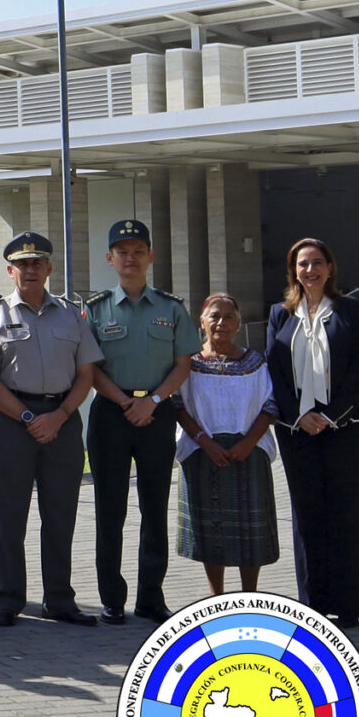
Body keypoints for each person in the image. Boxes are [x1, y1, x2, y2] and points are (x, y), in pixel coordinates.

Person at [0, 231, 103, 628]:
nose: (30, 270)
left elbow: (86, 373)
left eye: (37, 263)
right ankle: (7, 599)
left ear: (48, 269)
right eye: (22, 264)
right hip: (12, 421)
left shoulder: (71, 314)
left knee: (60, 513)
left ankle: (59, 599)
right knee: (10, 513)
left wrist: (60, 416)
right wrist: (29, 418)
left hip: (62, 419)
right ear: (10, 270)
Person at [83, 220, 200, 626]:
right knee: (109, 509)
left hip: (156, 414)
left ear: (151, 257)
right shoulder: (95, 309)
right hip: (110, 416)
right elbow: (89, 367)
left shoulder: (171, 308)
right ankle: (112, 599)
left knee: (155, 508)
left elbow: (184, 363)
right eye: (122, 251)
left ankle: (151, 598)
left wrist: (151, 401)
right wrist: (123, 401)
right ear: (110, 258)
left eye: (138, 251)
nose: (130, 258)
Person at [264, 237, 359, 629]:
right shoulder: (280, 314)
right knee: (306, 515)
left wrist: (329, 416)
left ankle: (347, 607)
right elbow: (274, 373)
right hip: (297, 430)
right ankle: (312, 605)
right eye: (302, 264)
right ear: (292, 270)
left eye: (317, 262)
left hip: (348, 427)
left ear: (330, 267)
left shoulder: (353, 311)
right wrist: (300, 415)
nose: (309, 270)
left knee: (345, 514)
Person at [173, 294, 279, 596]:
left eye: (229, 316)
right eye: (215, 316)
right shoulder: (188, 363)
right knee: (211, 529)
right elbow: (178, 405)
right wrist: (204, 441)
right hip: (202, 452)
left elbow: (270, 405)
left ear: (238, 323)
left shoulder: (255, 362)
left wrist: (248, 443)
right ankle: (216, 595)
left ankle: (249, 594)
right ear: (202, 322)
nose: (221, 322)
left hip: (249, 453)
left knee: (250, 531)